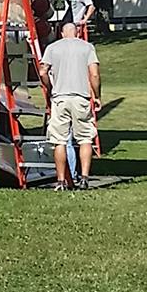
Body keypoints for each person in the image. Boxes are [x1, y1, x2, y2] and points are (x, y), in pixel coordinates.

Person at [40, 19, 101, 188]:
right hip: (80, 97)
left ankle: (61, 180)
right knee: (85, 138)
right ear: (77, 32)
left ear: (61, 33)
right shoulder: (87, 47)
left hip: (60, 97)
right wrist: (96, 96)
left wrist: (50, 86)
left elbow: (43, 71)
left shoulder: (52, 48)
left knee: (59, 140)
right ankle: (84, 178)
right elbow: (94, 75)